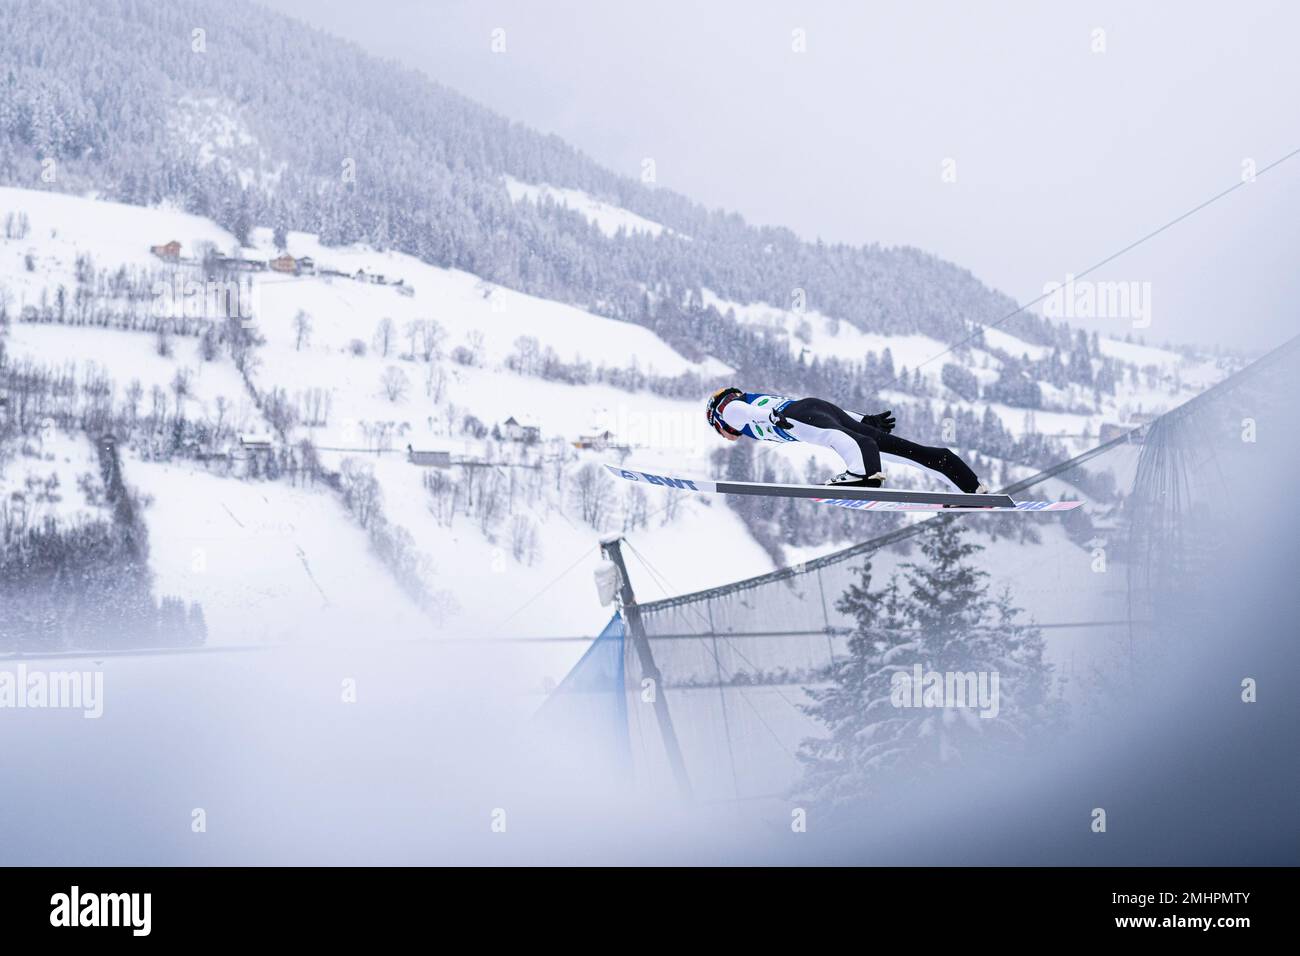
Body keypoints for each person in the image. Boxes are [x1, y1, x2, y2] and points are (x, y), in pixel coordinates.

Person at [704, 387, 989, 492]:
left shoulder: (729, 411)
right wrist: (865, 420)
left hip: (792, 417)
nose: (726, 436)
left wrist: (771, 418)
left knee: (832, 437)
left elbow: (741, 410)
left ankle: (863, 474)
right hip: (816, 407)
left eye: (719, 431)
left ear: (718, 423)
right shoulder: (747, 400)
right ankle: (966, 483)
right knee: (902, 450)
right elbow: (836, 419)